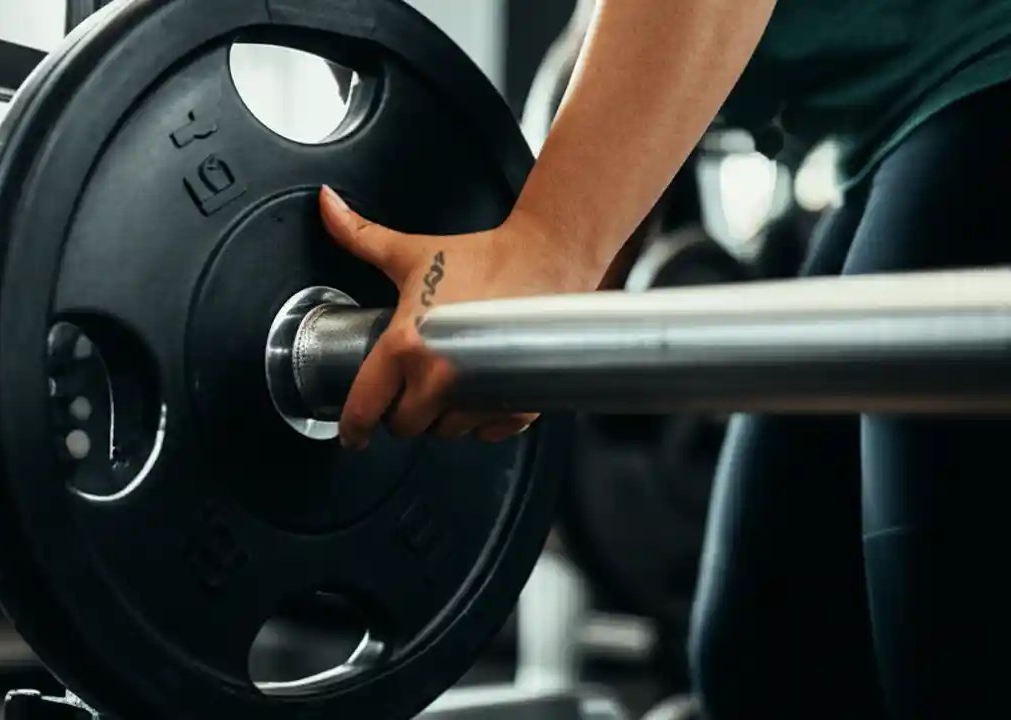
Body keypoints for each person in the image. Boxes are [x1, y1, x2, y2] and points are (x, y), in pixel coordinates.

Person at [318, 1, 1011, 718]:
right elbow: (601, 40)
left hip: (985, 85)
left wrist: (549, 248)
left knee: (952, 655)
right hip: (886, 134)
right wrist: (529, 255)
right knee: (767, 660)